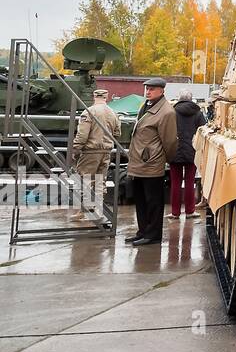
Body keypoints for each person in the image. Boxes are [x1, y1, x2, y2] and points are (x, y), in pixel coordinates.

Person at [126, 78, 177, 245]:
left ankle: (153, 234)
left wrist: (167, 161)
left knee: (153, 202)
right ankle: (143, 231)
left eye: (152, 89)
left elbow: (169, 141)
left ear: (162, 91)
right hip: (139, 163)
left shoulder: (166, 112)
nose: (148, 92)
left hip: (151, 164)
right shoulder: (146, 107)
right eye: (147, 89)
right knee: (140, 201)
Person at [69, 88, 121, 222]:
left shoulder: (89, 112)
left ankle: (85, 211)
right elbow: (117, 134)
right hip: (106, 151)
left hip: (90, 152)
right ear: (106, 97)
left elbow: (82, 134)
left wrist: (75, 149)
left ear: (94, 97)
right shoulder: (113, 113)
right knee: (99, 181)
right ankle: (98, 212)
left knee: (85, 181)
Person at [169, 92, 203, 219]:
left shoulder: (172, 112)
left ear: (179, 99)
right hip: (192, 151)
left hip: (175, 151)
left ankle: (175, 212)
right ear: (191, 99)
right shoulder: (198, 113)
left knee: (175, 183)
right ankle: (190, 211)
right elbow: (203, 130)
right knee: (190, 182)